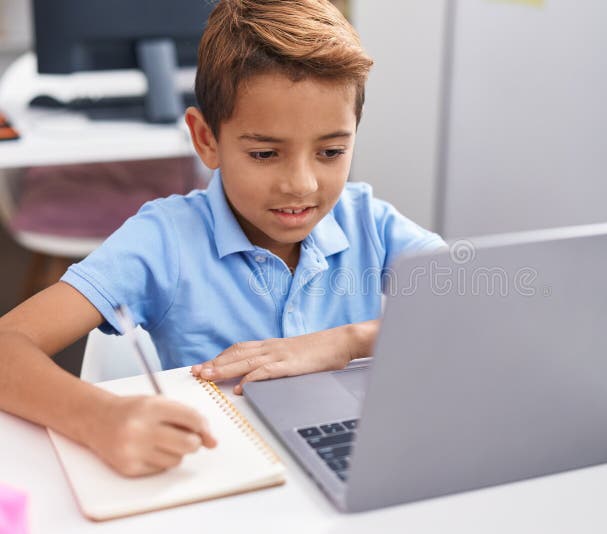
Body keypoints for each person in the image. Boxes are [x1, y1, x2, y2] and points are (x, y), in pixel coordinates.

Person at [0, 0, 444, 477]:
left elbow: (487, 315)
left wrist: (349, 340)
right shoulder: (165, 241)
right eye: (265, 153)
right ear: (206, 139)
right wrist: (100, 417)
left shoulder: (369, 222)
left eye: (331, 151)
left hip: (357, 462)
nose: (302, 184)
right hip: (225, 474)